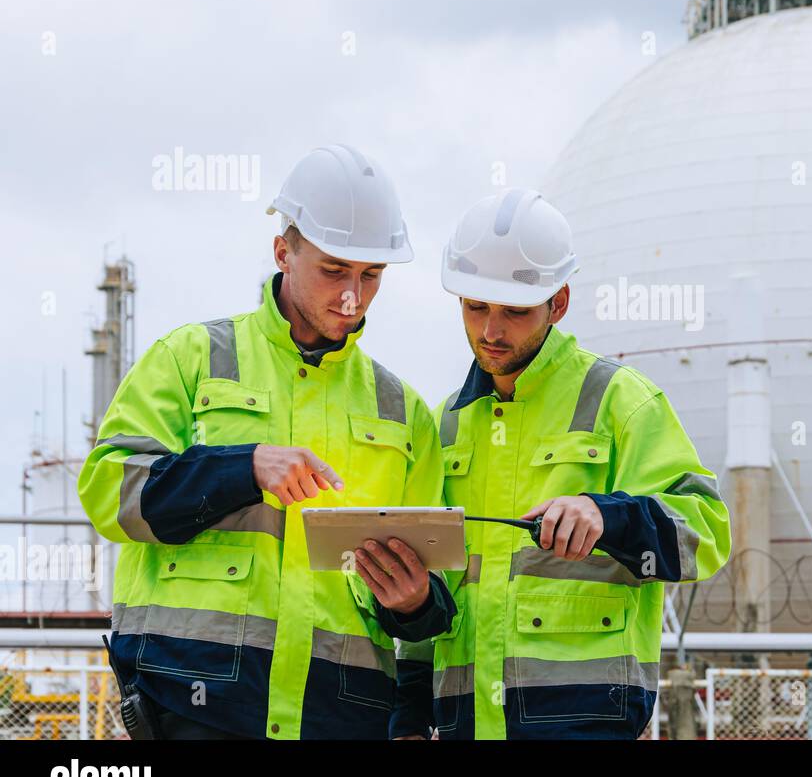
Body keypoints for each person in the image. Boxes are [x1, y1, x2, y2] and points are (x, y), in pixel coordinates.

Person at [78, 144, 454, 739]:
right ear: (284, 251)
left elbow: (431, 595)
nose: (353, 294)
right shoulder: (190, 359)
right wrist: (243, 467)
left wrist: (414, 603)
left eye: (372, 275)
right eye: (335, 270)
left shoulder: (404, 413)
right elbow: (109, 492)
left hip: (338, 716)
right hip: (195, 703)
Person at [390, 187, 730, 740]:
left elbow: (708, 533)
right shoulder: (443, 425)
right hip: (463, 726)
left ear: (560, 302)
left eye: (515, 312)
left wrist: (609, 517)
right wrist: (407, 714)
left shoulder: (621, 401)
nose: (492, 331)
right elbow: (427, 587)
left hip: (586, 725)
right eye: (475, 307)